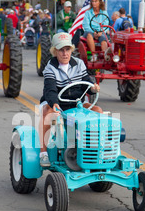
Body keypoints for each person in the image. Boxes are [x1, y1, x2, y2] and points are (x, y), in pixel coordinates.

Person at [39, 32, 101, 167]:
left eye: (67, 49)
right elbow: (50, 90)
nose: (65, 53)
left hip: (76, 103)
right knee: (48, 112)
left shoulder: (79, 64)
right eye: (61, 50)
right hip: (57, 103)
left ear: (71, 50)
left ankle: (93, 151)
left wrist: (93, 88)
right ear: (55, 51)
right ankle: (43, 152)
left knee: (97, 111)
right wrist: (54, 103)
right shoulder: (50, 67)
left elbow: (86, 82)